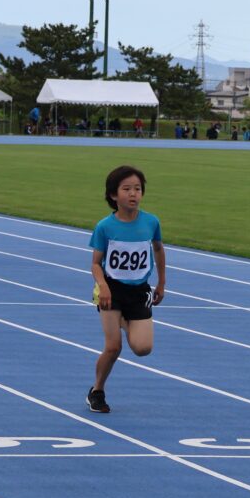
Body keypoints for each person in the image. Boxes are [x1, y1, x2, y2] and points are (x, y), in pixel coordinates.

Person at [87, 165, 166, 414]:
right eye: (127, 189)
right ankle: (97, 391)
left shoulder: (151, 222)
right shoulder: (105, 227)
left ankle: (121, 319)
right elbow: (95, 264)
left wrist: (162, 282)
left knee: (143, 348)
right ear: (113, 195)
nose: (133, 194)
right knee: (114, 347)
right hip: (111, 290)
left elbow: (158, 250)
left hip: (139, 290)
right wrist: (103, 287)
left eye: (137, 189)